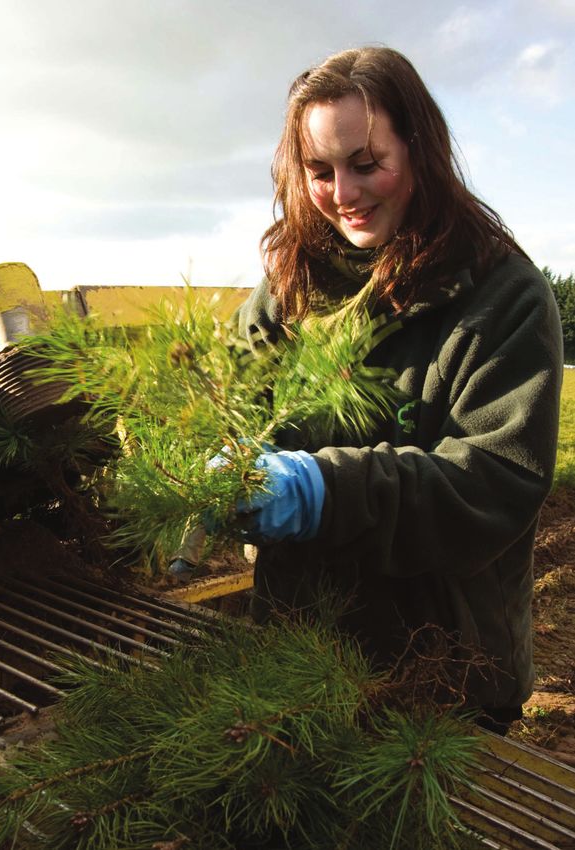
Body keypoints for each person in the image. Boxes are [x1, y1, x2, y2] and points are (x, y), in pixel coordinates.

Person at [232, 46, 563, 733]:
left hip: (441, 671)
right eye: (319, 171)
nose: (343, 195)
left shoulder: (503, 296)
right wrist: (217, 466)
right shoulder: (289, 286)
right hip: (298, 651)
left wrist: (323, 492)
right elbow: (234, 402)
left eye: (365, 164)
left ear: (418, 150)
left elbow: (494, 483)